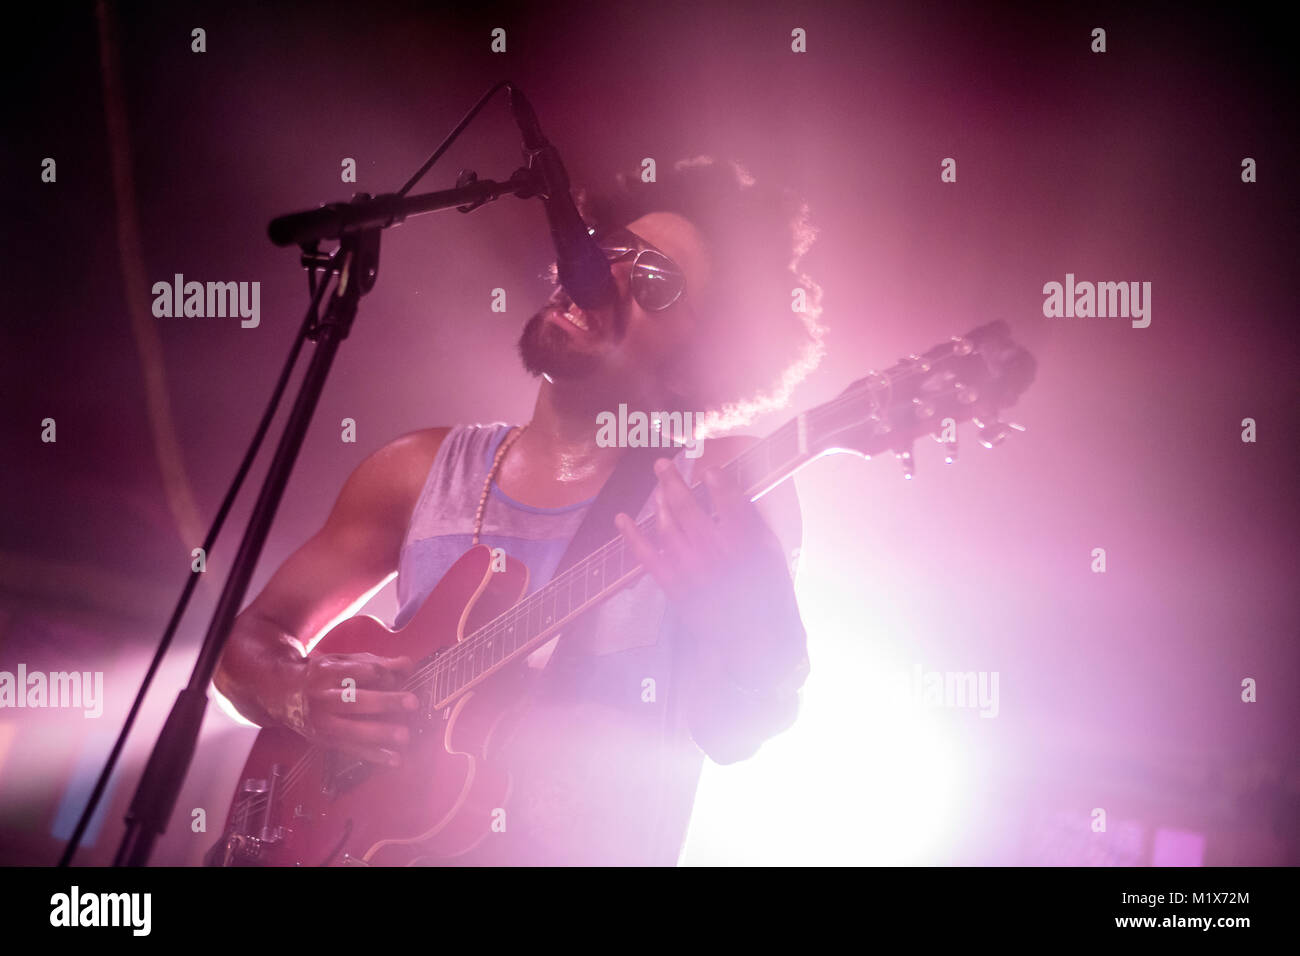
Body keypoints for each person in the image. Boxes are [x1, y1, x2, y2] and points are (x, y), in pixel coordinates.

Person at [213, 155, 826, 865]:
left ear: (704, 357)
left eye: (653, 279)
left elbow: (733, 730)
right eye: (609, 247)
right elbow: (245, 644)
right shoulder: (418, 470)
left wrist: (760, 634)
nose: (604, 273)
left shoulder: (720, 487)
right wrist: (298, 693)